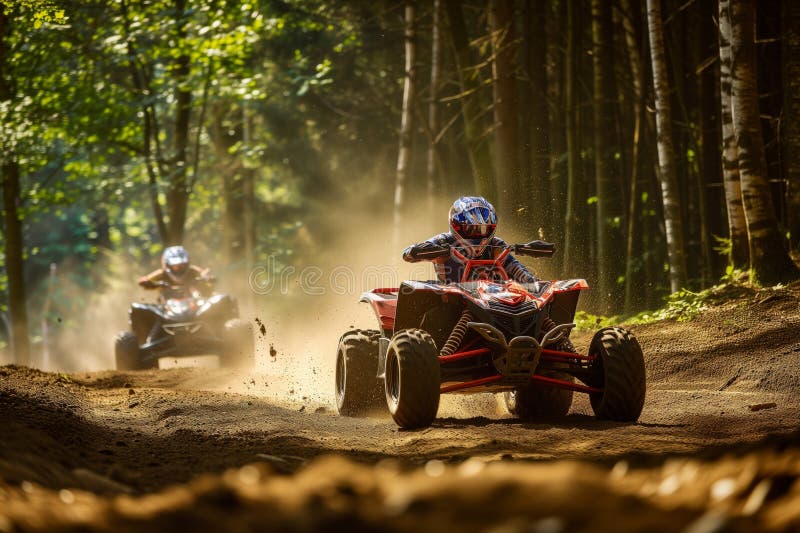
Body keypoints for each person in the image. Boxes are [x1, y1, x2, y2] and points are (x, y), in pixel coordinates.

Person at [403, 196, 536, 284]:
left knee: (540, 292)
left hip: (497, 302)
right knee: (419, 292)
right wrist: (418, 251)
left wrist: (533, 284)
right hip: (451, 303)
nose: (477, 235)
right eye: (470, 229)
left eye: (483, 229)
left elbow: (517, 270)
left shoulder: (496, 245)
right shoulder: (444, 241)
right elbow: (408, 254)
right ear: (456, 226)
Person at [138, 246, 213, 296]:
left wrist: (206, 277)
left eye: (181, 264)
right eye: (174, 264)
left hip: (194, 302)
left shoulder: (192, 270)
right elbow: (145, 280)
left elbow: (204, 274)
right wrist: (147, 282)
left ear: (186, 263)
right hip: (168, 305)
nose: (178, 267)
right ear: (168, 264)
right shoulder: (162, 273)